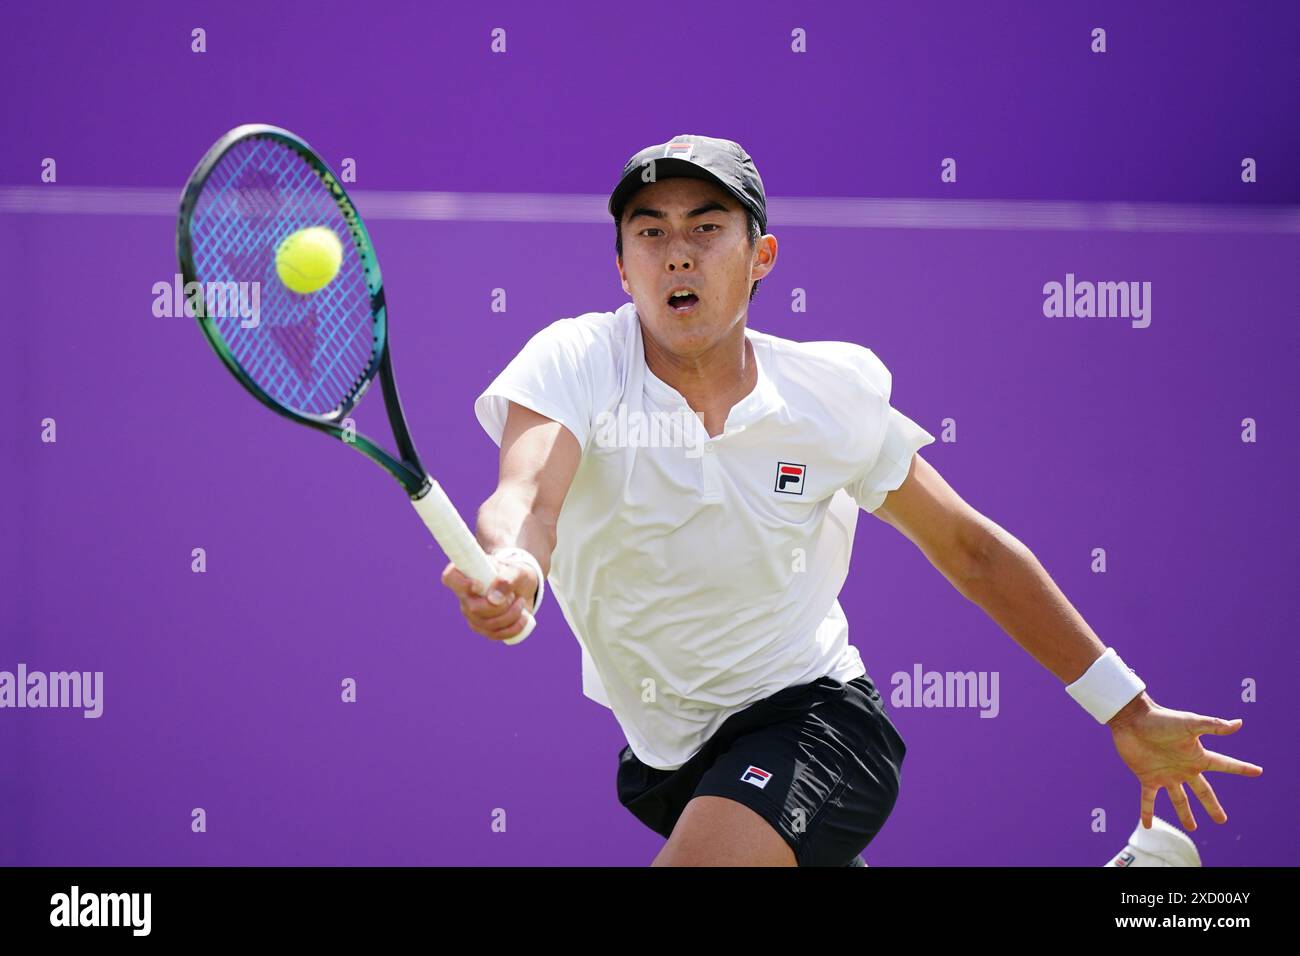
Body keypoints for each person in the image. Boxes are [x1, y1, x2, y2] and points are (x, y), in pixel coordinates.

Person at [441, 134, 1263, 866]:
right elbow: (528, 497)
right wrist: (514, 563)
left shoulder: (830, 394)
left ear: (761, 256)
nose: (677, 254)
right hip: (667, 759)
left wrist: (1125, 706)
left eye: (706, 226)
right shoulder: (576, 360)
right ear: (623, 268)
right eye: (650, 232)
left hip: (817, 721)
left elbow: (969, 550)